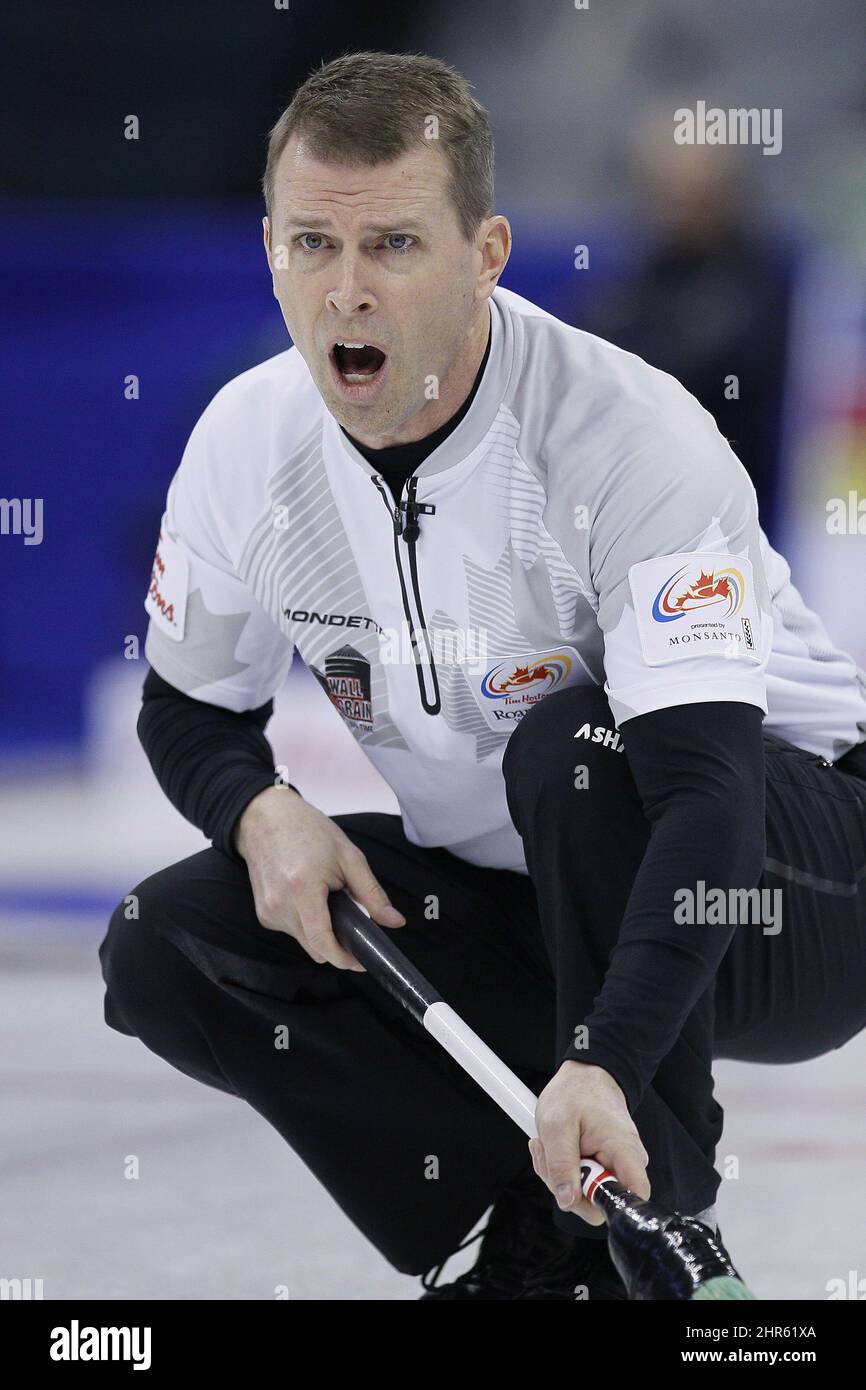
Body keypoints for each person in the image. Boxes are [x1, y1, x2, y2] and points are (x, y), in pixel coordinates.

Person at [99, 50, 866, 1300]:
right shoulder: (246, 442)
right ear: (269, 248)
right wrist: (258, 806)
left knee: (574, 745)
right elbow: (188, 705)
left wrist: (609, 1060)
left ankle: (655, 1222)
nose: (344, 293)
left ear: (486, 252)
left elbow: (702, 802)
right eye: (310, 246)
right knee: (167, 942)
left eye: (393, 246)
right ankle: (524, 1235)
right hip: (524, 899)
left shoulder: (624, 434)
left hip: (786, 888)